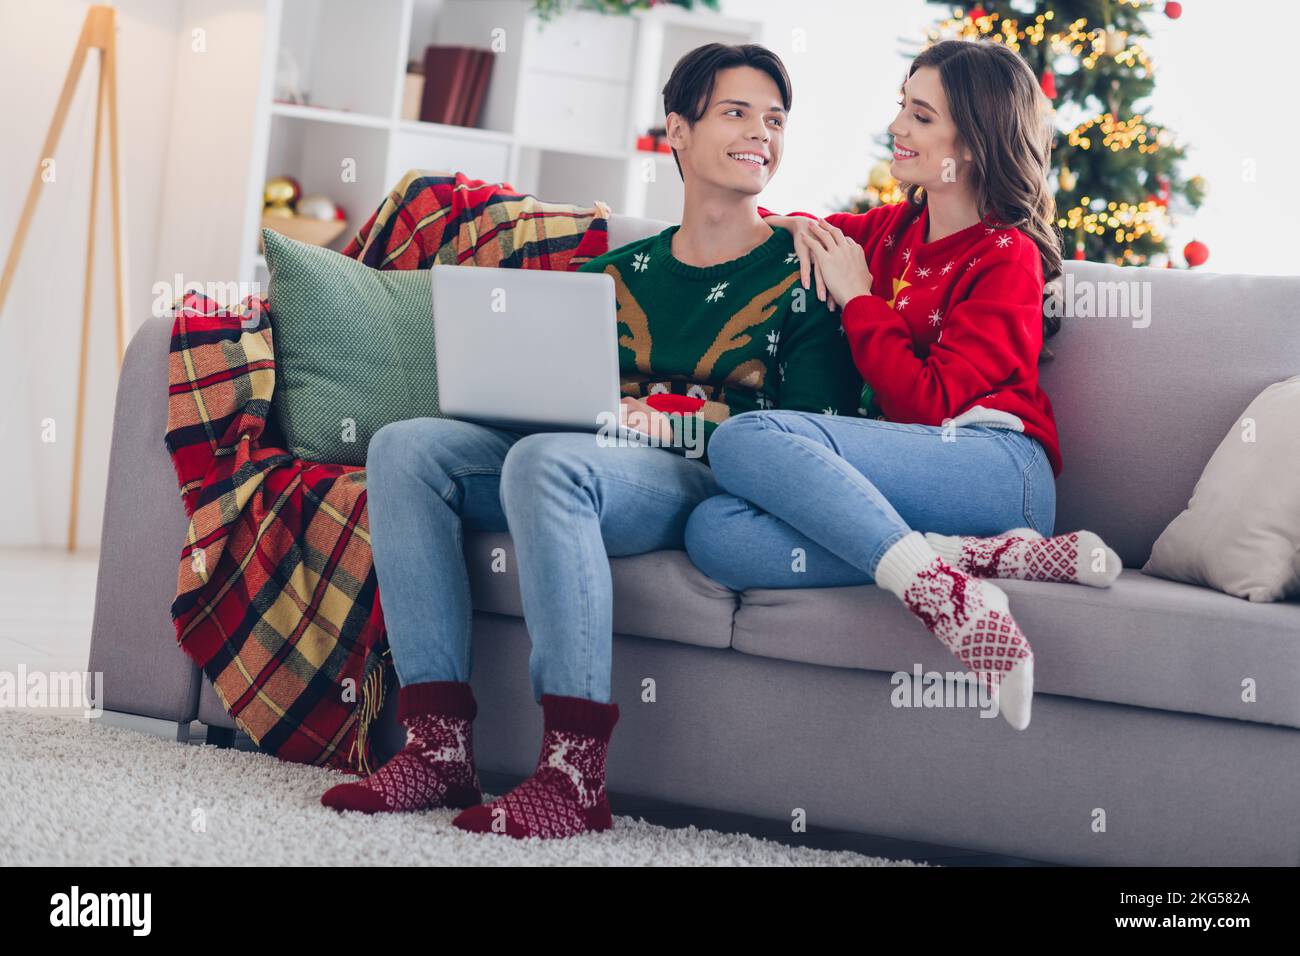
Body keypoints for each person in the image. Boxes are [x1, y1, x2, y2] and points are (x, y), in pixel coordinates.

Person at [320, 42, 863, 838]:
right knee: (407, 447)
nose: (761, 134)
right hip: (586, 455)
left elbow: (814, 436)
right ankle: (437, 749)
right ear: (677, 131)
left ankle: (574, 774)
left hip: (706, 475)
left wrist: (675, 424)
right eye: (736, 113)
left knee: (546, 462)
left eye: (775, 119)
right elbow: (555, 391)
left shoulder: (805, 271)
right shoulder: (613, 272)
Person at [683, 39, 1121, 732]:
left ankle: (949, 600)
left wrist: (861, 301)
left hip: (997, 469)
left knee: (743, 442)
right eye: (902, 108)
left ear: (971, 144)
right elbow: (779, 234)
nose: (897, 128)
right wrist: (787, 223)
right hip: (924, 484)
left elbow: (928, 407)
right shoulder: (893, 230)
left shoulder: (1004, 256)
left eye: (920, 115)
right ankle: (966, 560)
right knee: (716, 533)